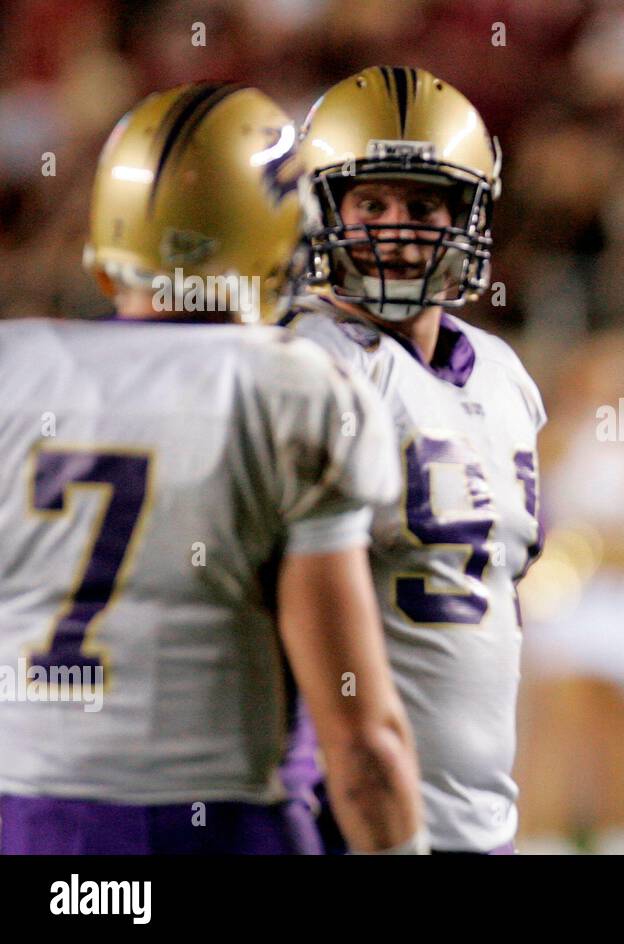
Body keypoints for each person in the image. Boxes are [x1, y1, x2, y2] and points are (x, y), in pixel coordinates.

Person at [0, 83, 424, 854]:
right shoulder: (288, 389)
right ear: (271, 229)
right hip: (209, 828)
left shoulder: (13, 369)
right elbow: (361, 743)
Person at [283, 67, 545, 854]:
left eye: (425, 205)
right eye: (371, 203)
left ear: (467, 215)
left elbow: (501, 582)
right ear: (323, 211)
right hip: (346, 818)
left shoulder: (505, 377)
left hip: (480, 816)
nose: (397, 228)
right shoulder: (304, 364)